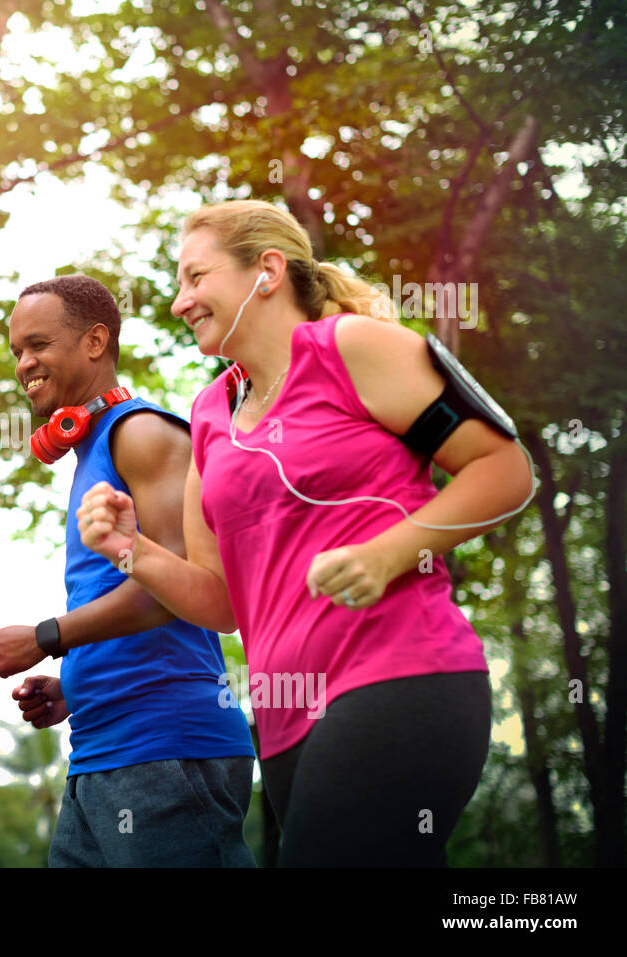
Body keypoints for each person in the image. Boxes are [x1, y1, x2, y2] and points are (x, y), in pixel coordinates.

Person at [77, 199, 534, 866]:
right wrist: (131, 551)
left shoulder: (353, 347)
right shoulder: (211, 413)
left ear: (266, 270)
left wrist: (389, 553)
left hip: (403, 677)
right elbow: (223, 602)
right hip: (288, 726)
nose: (181, 302)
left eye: (196, 277)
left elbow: (506, 467)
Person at [0, 274, 257, 867]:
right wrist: (72, 688)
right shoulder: (92, 450)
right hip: (101, 753)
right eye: (17, 352)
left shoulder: (142, 433)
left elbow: (181, 590)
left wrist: (44, 638)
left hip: (165, 748)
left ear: (96, 341)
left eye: (39, 344)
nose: (25, 363)